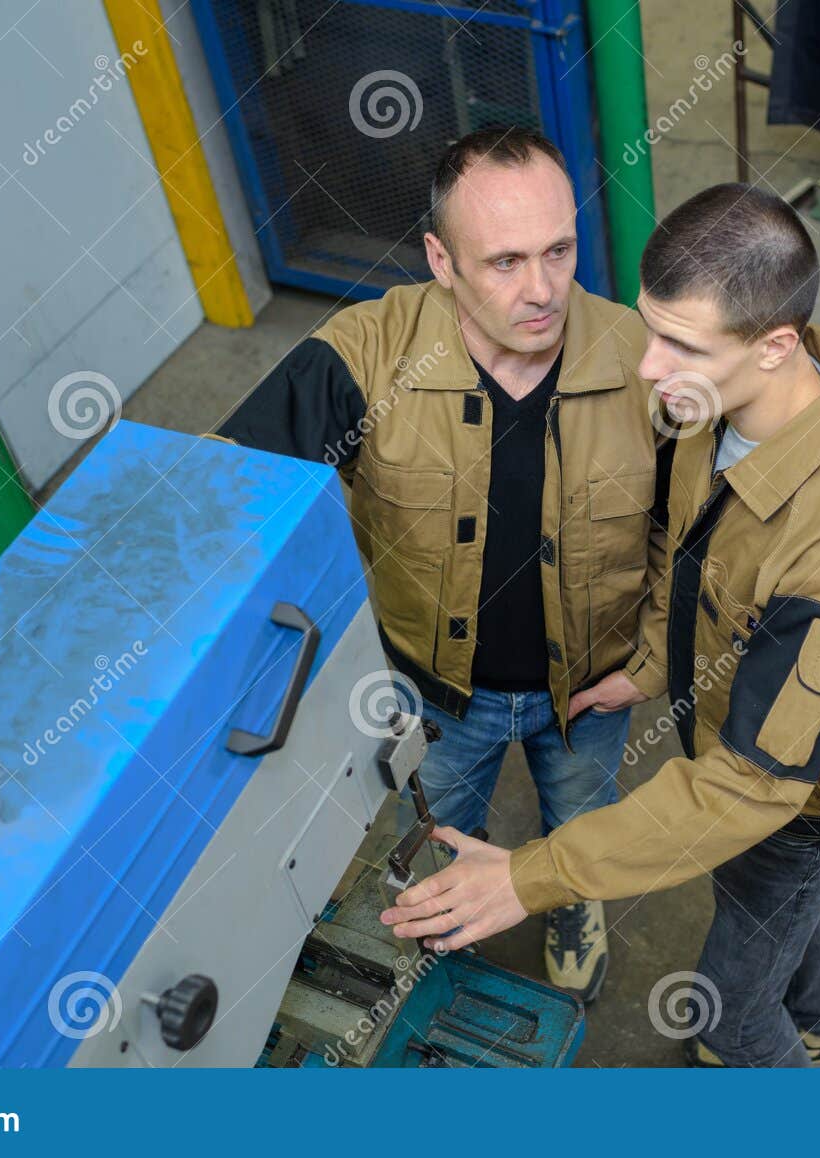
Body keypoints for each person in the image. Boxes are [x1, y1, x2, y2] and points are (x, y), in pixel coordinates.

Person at [379, 182, 820, 1067]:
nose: (646, 366)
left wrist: (530, 878)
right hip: (725, 741)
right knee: (769, 918)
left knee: (731, 1012)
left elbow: (754, 789)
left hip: (797, 802)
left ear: (775, 346)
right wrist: (651, 664)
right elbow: (695, 555)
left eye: (680, 344)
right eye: (652, 328)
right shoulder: (730, 404)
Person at [213, 126, 668, 1003]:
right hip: (432, 698)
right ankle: (433, 925)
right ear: (440, 259)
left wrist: (649, 666)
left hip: (592, 695)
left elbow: (699, 541)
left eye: (559, 251)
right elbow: (221, 494)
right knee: (427, 840)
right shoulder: (363, 355)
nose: (542, 292)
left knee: (579, 824)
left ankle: (571, 900)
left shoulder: (645, 362)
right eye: (502, 262)